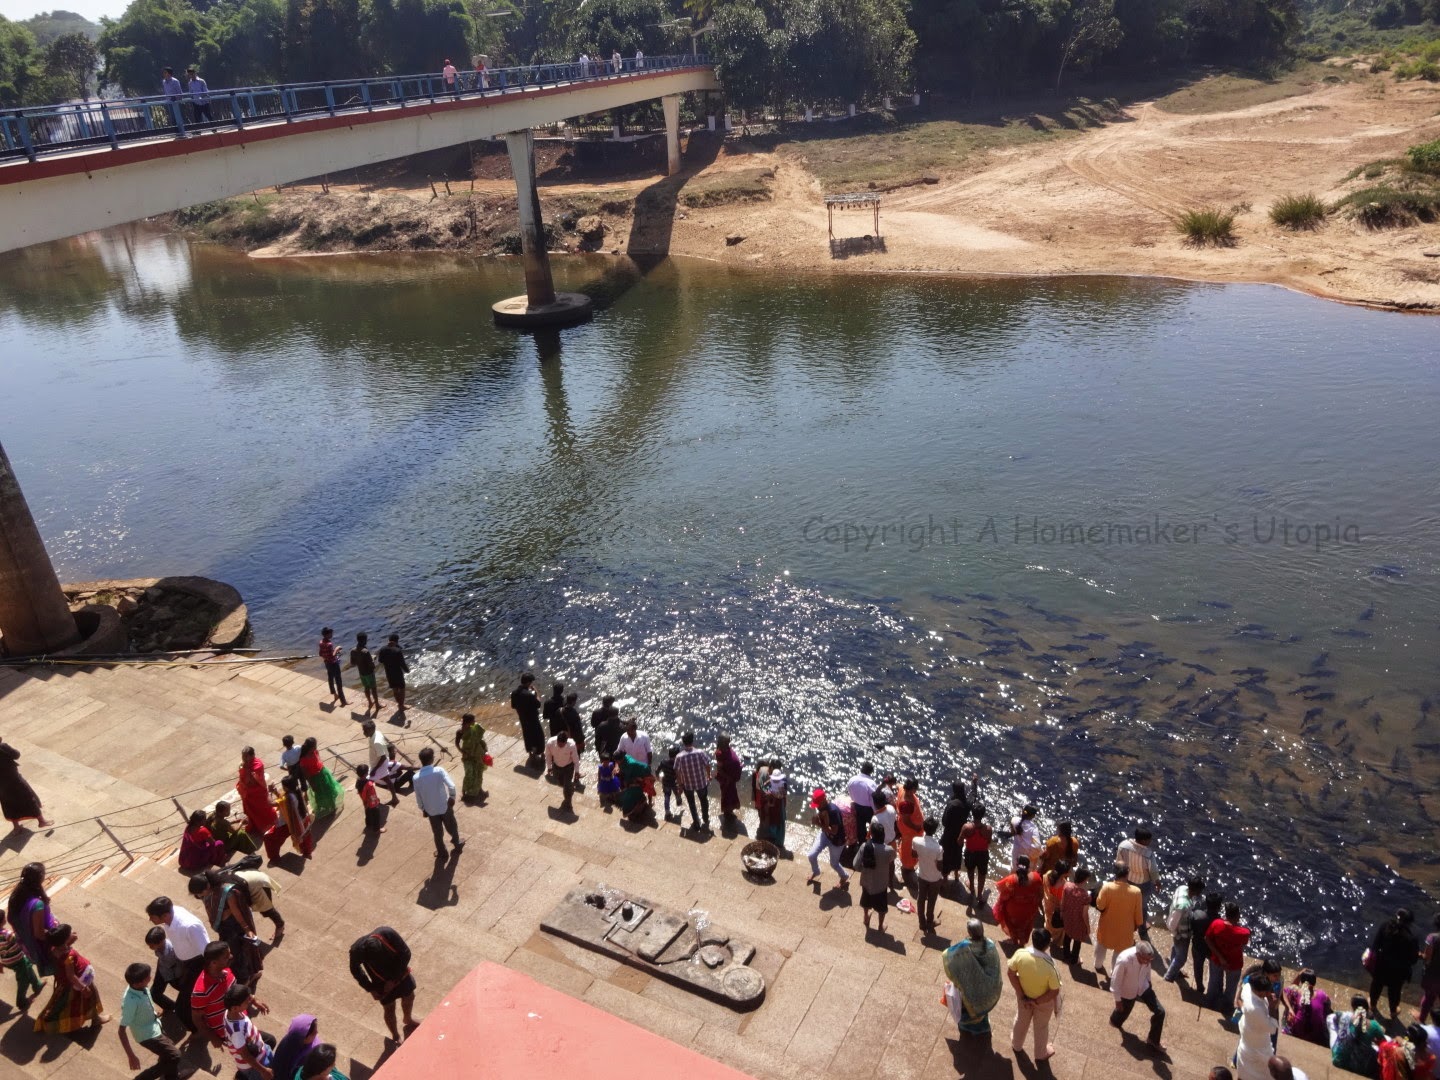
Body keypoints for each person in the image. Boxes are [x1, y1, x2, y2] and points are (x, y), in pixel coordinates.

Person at [145, 895, 210, 1041]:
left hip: (196, 965)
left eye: (152, 916)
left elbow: (206, 951)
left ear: (165, 915)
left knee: (181, 1008)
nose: (150, 920)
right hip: (184, 963)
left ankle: (198, 1031)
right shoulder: (170, 920)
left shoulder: (189, 926)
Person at [188, 871, 261, 989]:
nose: (200, 896)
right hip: (223, 928)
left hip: (233, 928)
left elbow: (237, 912)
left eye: (200, 893)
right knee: (231, 954)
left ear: (207, 886)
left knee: (234, 955)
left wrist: (247, 929)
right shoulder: (206, 893)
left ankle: (245, 979)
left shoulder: (227, 894)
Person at [34, 923, 109, 1033]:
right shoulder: (69, 956)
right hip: (78, 984)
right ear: (64, 940)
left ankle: (95, 1018)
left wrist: (68, 942)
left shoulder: (54, 949)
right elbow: (71, 975)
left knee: (62, 1004)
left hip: (66, 983)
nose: (72, 934)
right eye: (69, 934)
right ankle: (96, 1019)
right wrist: (83, 988)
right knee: (90, 998)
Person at [350, 926, 417, 1044]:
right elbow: (355, 969)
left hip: (399, 971)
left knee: (409, 996)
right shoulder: (357, 950)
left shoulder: (388, 933)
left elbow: (406, 953)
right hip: (379, 981)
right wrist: (370, 988)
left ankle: (408, 1018)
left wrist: (393, 980)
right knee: (389, 1008)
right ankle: (395, 1035)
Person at [119, 961, 181, 1080]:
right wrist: (131, 1056)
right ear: (137, 983)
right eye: (148, 977)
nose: (150, 978)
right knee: (175, 1056)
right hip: (147, 1035)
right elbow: (121, 1031)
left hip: (154, 1025)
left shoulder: (140, 987)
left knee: (167, 1054)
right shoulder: (130, 1002)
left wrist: (152, 1013)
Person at [1007, 928, 1061, 1060]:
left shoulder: (1020, 954)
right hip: (1043, 1002)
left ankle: (1016, 1044)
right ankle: (1041, 1054)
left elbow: (1011, 973)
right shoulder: (1051, 966)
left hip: (1023, 997)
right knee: (1041, 1027)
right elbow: (1055, 990)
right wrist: (1036, 1001)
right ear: (1047, 945)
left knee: (1021, 1020)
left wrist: (1021, 995)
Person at [944, 918, 1003, 1036]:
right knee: (981, 1011)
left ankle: (968, 1027)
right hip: (989, 991)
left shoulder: (964, 948)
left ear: (969, 933)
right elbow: (995, 967)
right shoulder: (991, 945)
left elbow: (947, 956)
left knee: (969, 1007)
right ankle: (982, 1027)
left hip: (971, 991)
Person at [1111, 941, 1167, 1056]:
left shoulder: (1147, 959)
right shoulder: (1124, 960)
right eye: (1145, 960)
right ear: (1138, 954)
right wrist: (1118, 1000)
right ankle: (1114, 1020)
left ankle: (1153, 1040)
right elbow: (1115, 982)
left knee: (1160, 1012)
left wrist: (1149, 982)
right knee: (1118, 1020)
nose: (1147, 963)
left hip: (1143, 987)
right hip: (1128, 992)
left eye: (1149, 960)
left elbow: (1147, 970)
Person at [1370, 909, 1421, 1021]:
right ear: (1409, 922)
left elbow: (1375, 945)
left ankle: (1372, 1005)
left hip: (1381, 965)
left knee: (1376, 985)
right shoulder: (1411, 938)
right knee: (1394, 991)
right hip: (1398, 971)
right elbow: (1413, 960)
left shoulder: (1385, 926)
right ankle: (1393, 1011)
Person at [1095, 862, 1144, 976]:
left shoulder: (1107, 887)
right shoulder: (1136, 892)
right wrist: (1137, 925)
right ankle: (1114, 972)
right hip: (1125, 929)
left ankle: (1098, 965)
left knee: (1101, 946)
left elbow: (1100, 906)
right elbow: (1138, 915)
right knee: (1119, 953)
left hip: (1107, 925)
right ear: (1127, 875)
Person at [8, 862, 57, 977]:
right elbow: (39, 934)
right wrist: (59, 937)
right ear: (39, 878)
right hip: (46, 943)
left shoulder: (16, 894)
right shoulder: (37, 905)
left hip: (25, 940)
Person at [190, 941, 240, 1052]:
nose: (231, 957)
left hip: (240, 1019)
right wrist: (213, 1038)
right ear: (213, 963)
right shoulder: (200, 992)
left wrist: (252, 999)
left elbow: (235, 991)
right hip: (228, 1031)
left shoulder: (227, 970)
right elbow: (197, 1018)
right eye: (226, 957)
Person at [414, 746, 463, 858]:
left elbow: (418, 796)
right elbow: (451, 785)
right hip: (444, 806)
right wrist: (452, 797)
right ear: (432, 759)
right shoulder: (439, 771)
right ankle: (457, 844)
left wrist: (423, 809)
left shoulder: (416, 778)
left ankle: (442, 852)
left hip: (430, 810)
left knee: (437, 832)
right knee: (452, 826)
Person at [223, 983, 274, 1079]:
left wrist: (255, 1001)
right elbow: (245, 1055)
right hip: (254, 1065)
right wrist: (263, 1071)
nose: (250, 1001)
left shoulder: (230, 1012)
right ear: (235, 1008)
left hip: (261, 1049)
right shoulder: (236, 1032)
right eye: (247, 1001)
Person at [1207, 902, 1251, 1013]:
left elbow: (1207, 939)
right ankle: (1226, 1008)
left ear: (1226, 914)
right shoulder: (1244, 932)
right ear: (1237, 916)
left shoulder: (1216, 924)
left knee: (1213, 983)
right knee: (1231, 988)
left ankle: (1211, 1003)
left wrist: (1221, 957)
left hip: (1217, 959)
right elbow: (1243, 943)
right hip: (1234, 964)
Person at [1235, 975, 1281, 1080]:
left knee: (1243, 1072)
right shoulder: (1255, 1009)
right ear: (1260, 992)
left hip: (1247, 1039)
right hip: (1258, 1048)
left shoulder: (1248, 988)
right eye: (1267, 991)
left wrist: (1242, 1008)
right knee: (1263, 1075)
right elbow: (1273, 1029)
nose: (1269, 993)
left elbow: (1241, 992)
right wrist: (1272, 1006)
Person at [993, 855, 1045, 947]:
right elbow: (1041, 894)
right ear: (1029, 865)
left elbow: (1000, 888)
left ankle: (1014, 940)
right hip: (1029, 911)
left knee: (1010, 921)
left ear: (1017, 865)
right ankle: (1022, 942)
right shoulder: (1037, 877)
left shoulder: (1012, 880)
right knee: (1025, 926)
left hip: (1013, 911)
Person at [0, 738, 51, 832]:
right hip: (14, 779)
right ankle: (41, 821)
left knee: (8, 803)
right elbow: (16, 755)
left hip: (1, 785)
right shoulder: (2, 746)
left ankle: (16, 827)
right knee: (28, 797)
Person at [1162, 876, 1205, 982]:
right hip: (1181, 934)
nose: (1200, 893)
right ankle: (1169, 976)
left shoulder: (1181, 888)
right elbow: (1172, 924)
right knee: (1181, 959)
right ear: (1195, 890)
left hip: (1179, 932)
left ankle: (1174, 968)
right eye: (1199, 890)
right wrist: (1177, 935)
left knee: (1176, 950)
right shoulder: (1183, 905)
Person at [805, 787, 849, 889]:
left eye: (818, 804)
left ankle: (844, 876)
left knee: (834, 864)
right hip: (825, 835)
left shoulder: (833, 811)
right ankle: (816, 871)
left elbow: (834, 831)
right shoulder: (821, 807)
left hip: (837, 841)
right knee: (812, 855)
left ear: (824, 801)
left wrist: (818, 824)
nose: (817, 807)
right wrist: (817, 819)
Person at [857, 822, 896, 934]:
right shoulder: (888, 850)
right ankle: (880, 926)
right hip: (881, 884)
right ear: (883, 835)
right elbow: (892, 858)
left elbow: (856, 864)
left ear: (871, 834)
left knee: (866, 901)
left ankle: (866, 917)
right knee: (881, 908)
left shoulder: (865, 846)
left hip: (866, 881)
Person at [1332, 995, 1386, 1076]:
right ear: (1367, 1009)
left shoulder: (1343, 1016)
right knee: (1377, 1049)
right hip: (1359, 1068)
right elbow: (1384, 1044)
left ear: (1353, 1007)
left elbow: (1333, 1019)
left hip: (1338, 1060)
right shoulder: (1374, 1025)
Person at [0, 908, 43, 1010]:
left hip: (6, 959)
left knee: (28, 966)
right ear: (3, 920)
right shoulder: (7, 934)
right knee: (23, 980)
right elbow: (19, 939)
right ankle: (21, 1001)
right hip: (16, 959)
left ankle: (37, 985)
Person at [265, 775, 315, 861]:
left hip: (288, 824)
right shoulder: (296, 792)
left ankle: (274, 858)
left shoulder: (287, 799)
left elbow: (271, 804)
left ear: (286, 788)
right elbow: (283, 799)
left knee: (269, 838)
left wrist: (267, 792)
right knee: (304, 838)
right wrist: (275, 792)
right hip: (302, 821)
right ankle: (307, 854)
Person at [1115, 826, 1160, 915]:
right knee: (1142, 906)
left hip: (1127, 879)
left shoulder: (1123, 845)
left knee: (1127, 899)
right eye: (1149, 840)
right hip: (1143, 884)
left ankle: (1126, 915)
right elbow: (1153, 872)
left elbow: (1119, 863)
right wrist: (1157, 883)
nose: (1150, 842)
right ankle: (1142, 927)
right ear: (1143, 841)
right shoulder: (1148, 854)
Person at [673, 731, 712, 831]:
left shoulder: (679, 757)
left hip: (687, 785)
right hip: (701, 783)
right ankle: (705, 818)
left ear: (683, 742)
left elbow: (677, 772)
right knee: (703, 800)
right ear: (692, 740)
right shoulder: (700, 753)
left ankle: (696, 822)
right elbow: (707, 764)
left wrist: (680, 785)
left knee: (691, 803)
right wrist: (708, 776)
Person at [1282, 969, 1333, 1046]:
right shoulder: (1322, 995)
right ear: (1314, 982)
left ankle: (1288, 1028)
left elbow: (1284, 992)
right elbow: (1328, 1009)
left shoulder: (1295, 991)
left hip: (1297, 1031)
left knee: (1289, 1003)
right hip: (1317, 1035)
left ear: (1302, 982)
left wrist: (1290, 1009)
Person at [298, 737, 345, 818]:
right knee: (320, 794)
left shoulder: (315, 751)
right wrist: (312, 784)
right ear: (310, 747)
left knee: (329, 790)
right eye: (315, 746)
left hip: (323, 774)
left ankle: (332, 807)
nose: (316, 747)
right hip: (315, 778)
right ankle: (325, 808)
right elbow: (306, 774)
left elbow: (319, 761)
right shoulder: (303, 760)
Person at [913, 816, 945, 934]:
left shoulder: (916, 841)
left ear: (924, 827)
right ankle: (930, 922)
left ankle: (922, 923)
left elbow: (913, 855)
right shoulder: (938, 848)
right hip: (934, 879)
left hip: (922, 875)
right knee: (931, 901)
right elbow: (939, 867)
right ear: (935, 830)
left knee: (921, 899)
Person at [237, 747, 278, 834]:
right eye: (243, 756)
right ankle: (253, 825)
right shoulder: (244, 764)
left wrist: (246, 768)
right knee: (250, 810)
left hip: (257, 792)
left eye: (245, 756)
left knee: (262, 809)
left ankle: (265, 825)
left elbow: (249, 781)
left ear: (252, 756)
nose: (243, 758)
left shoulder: (258, 765)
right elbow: (243, 780)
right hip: (247, 793)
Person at [960, 805, 993, 913]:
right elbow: (989, 842)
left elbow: (959, 841)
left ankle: (972, 890)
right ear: (983, 815)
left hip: (970, 852)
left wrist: (967, 839)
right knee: (982, 874)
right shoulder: (988, 829)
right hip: (983, 854)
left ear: (972, 814)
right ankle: (979, 895)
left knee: (970, 870)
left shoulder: (967, 827)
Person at [271, 1014, 322, 1080]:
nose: (317, 1032)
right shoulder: (312, 1053)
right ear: (304, 1038)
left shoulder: (289, 1039)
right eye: (314, 1032)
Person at [1059, 865, 1093, 964]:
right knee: (1077, 941)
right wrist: (1087, 926)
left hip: (1068, 917)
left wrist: (1061, 912)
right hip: (1078, 922)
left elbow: (1063, 901)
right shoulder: (1085, 896)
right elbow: (1084, 914)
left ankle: (1066, 956)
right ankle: (1074, 959)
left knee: (1067, 936)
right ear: (1085, 879)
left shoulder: (1067, 886)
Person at [939, 779, 971, 882]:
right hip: (960, 834)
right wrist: (974, 784)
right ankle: (957, 875)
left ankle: (945, 878)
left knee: (946, 855)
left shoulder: (952, 804)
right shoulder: (967, 804)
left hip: (949, 835)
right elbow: (973, 796)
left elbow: (944, 821)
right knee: (957, 853)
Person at [510, 673, 545, 765]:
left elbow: (513, 706)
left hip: (523, 718)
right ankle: (541, 753)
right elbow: (538, 704)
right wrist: (536, 693)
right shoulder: (529, 695)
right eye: (531, 682)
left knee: (527, 735)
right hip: (533, 718)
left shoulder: (514, 693)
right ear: (529, 682)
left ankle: (530, 753)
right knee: (539, 736)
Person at [1193, 893, 1224, 991]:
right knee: (1215, 972)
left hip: (1198, 946)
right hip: (1213, 950)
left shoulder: (1197, 915)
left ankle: (1199, 986)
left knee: (1198, 967)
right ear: (1219, 906)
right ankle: (1214, 990)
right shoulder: (1221, 922)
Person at [544, 728, 580, 813]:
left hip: (568, 767)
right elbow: (548, 755)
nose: (560, 746)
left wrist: (577, 771)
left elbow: (576, 759)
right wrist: (549, 767)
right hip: (556, 766)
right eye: (559, 744)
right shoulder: (550, 743)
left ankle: (568, 801)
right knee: (560, 783)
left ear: (566, 742)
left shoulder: (571, 745)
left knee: (566, 786)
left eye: (562, 745)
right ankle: (569, 788)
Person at [371, 739, 416, 807]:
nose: (395, 751)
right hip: (391, 786)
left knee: (397, 772)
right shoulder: (393, 763)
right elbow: (409, 768)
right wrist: (422, 767)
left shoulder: (379, 761)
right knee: (410, 773)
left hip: (380, 784)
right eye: (394, 750)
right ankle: (411, 786)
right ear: (391, 752)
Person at [896, 778, 924, 879]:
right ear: (913, 789)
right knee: (909, 848)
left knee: (908, 845)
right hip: (910, 830)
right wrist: (916, 827)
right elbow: (906, 821)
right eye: (914, 789)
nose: (915, 791)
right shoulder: (906, 804)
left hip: (910, 829)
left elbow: (898, 785)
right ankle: (907, 866)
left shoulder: (903, 789)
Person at [758, 758, 788, 848]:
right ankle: (770, 839)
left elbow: (783, 794)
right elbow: (762, 786)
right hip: (770, 804)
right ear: (770, 768)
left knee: (779, 822)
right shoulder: (765, 775)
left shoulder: (782, 781)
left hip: (778, 804)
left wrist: (773, 795)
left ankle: (778, 842)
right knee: (770, 821)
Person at [456, 713, 487, 802]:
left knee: (478, 772)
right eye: (473, 720)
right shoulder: (460, 731)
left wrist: (485, 750)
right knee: (469, 773)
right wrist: (462, 751)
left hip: (477, 754)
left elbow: (480, 740)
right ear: (468, 722)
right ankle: (465, 791)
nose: (475, 722)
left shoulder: (476, 728)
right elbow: (457, 743)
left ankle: (479, 789)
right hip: (467, 755)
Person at [376, 634, 410, 715]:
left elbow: (380, 661)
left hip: (389, 673)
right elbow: (402, 664)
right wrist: (407, 670)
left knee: (394, 689)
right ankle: (401, 706)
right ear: (397, 641)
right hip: (397, 673)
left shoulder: (382, 649)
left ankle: (399, 704)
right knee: (402, 689)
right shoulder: (397, 651)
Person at [350, 632, 382, 714]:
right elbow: (372, 665)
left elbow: (352, 664)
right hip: (369, 673)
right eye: (366, 639)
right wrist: (373, 659)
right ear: (364, 640)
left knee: (366, 687)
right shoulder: (365, 651)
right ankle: (377, 705)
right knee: (373, 689)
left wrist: (359, 661)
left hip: (361, 673)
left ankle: (370, 702)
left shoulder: (353, 651)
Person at [1044, 861, 1071, 958]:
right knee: (1058, 930)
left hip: (1048, 906)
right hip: (1057, 910)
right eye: (1069, 871)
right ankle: (1055, 942)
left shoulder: (1047, 876)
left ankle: (1047, 934)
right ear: (1065, 873)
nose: (1070, 872)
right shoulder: (1065, 886)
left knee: (1048, 921)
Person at [715, 734, 743, 822]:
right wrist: (728, 778)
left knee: (731, 794)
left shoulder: (726, 750)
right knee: (727, 795)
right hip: (726, 779)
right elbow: (719, 769)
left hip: (730, 778)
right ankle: (727, 814)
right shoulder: (719, 753)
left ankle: (729, 811)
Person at [846, 762, 878, 836]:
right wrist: (876, 811)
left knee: (860, 827)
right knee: (873, 826)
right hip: (868, 809)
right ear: (871, 772)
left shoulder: (852, 779)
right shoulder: (871, 783)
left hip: (856, 806)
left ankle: (861, 843)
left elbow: (850, 792)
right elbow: (873, 799)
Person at [318, 627, 347, 707]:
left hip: (327, 663)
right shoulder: (329, 644)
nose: (332, 634)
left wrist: (328, 654)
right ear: (327, 634)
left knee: (330, 679)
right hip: (333, 664)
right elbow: (333, 655)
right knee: (338, 682)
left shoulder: (321, 642)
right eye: (330, 633)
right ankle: (343, 701)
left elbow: (320, 654)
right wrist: (337, 649)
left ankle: (335, 694)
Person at [1421, 914, 1440, 1024]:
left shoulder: (1432, 938)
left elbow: (1427, 957)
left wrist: (1420, 955)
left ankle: (1422, 1019)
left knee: (1429, 997)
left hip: (1433, 975)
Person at [1010, 804, 1042, 868]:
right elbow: (1037, 847)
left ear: (1023, 811)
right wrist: (1036, 855)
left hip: (1016, 853)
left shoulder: (1014, 820)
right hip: (1026, 858)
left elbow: (1012, 832)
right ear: (1033, 816)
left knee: (1013, 872)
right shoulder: (1033, 828)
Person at [357, 764, 384, 835]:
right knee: (376, 815)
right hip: (372, 803)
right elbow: (372, 795)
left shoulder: (358, 781)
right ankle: (377, 830)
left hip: (364, 800)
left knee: (367, 812)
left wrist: (365, 802)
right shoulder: (369, 784)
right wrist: (377, 800)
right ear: (366, 773)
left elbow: (360, 792)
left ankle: (368, 824)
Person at [657, 744, 680, 820]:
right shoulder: (677, 764)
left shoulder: (663, 762)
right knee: (676, 792)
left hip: (665, 782)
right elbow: (679, 774)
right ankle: (678, 800)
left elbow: (657, 770)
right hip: (673, 782)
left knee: (667, 796)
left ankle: (667, 811)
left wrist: (657, 776)